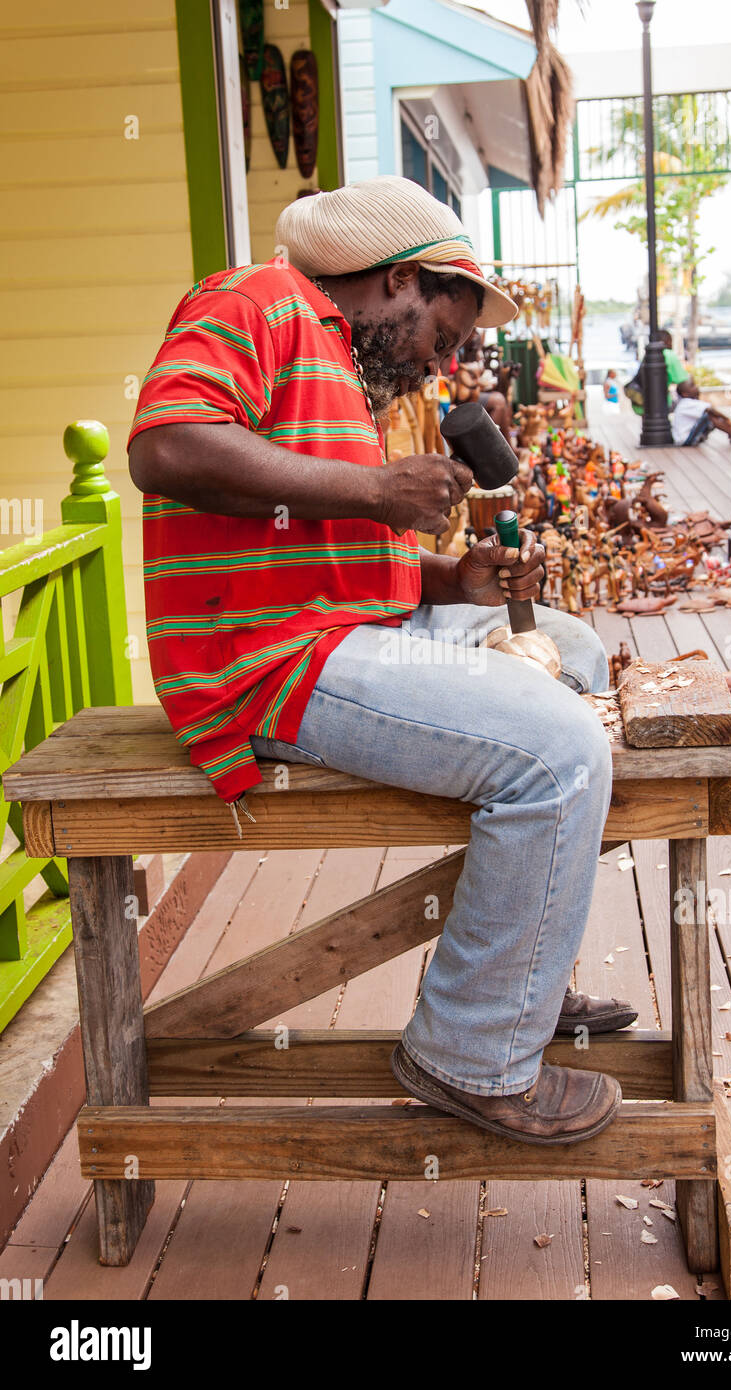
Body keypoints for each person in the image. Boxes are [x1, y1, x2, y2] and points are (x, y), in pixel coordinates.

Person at [127, 175, 632, 1147]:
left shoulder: (345, 367)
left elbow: (339, 555)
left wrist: (456, 581)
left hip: (344, 633)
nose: (447, 357)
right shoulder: (255, 299)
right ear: (399, 279)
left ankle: (520, 972)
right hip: (265, 659)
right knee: (558, 751)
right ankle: (470, 1053)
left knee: (570, 652)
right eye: (445, 331)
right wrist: (370, 486)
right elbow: (167, 446)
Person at [627, 330, 688, 416]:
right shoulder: (669, 355)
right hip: (659, 405)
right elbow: (683, 383)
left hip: (640, 405)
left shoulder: (648, 354)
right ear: (668, 341)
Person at [671, 379, 731, 446]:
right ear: (685, 394)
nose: (696, 387)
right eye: (692, 386)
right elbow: (710, 410)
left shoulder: (684, 403)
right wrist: (727, 419)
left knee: (708, 416)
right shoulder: (686, 403)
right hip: (685, 440)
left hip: (683, 439)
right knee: (709, 416)